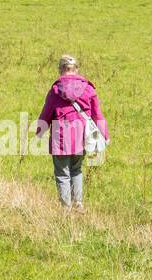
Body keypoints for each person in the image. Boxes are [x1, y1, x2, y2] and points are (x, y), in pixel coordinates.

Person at [34, 54, 109, 210]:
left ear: (60, 70)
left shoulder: (55, 90)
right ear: (76, 69)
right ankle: (78, 204)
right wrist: (105, 135)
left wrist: (39, 132)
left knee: (62, 173)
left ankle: (65, 208)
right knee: (76, 170)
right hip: (81, 137)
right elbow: (97, 114)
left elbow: (46, 113)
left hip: (61, 137)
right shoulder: (88, 88)